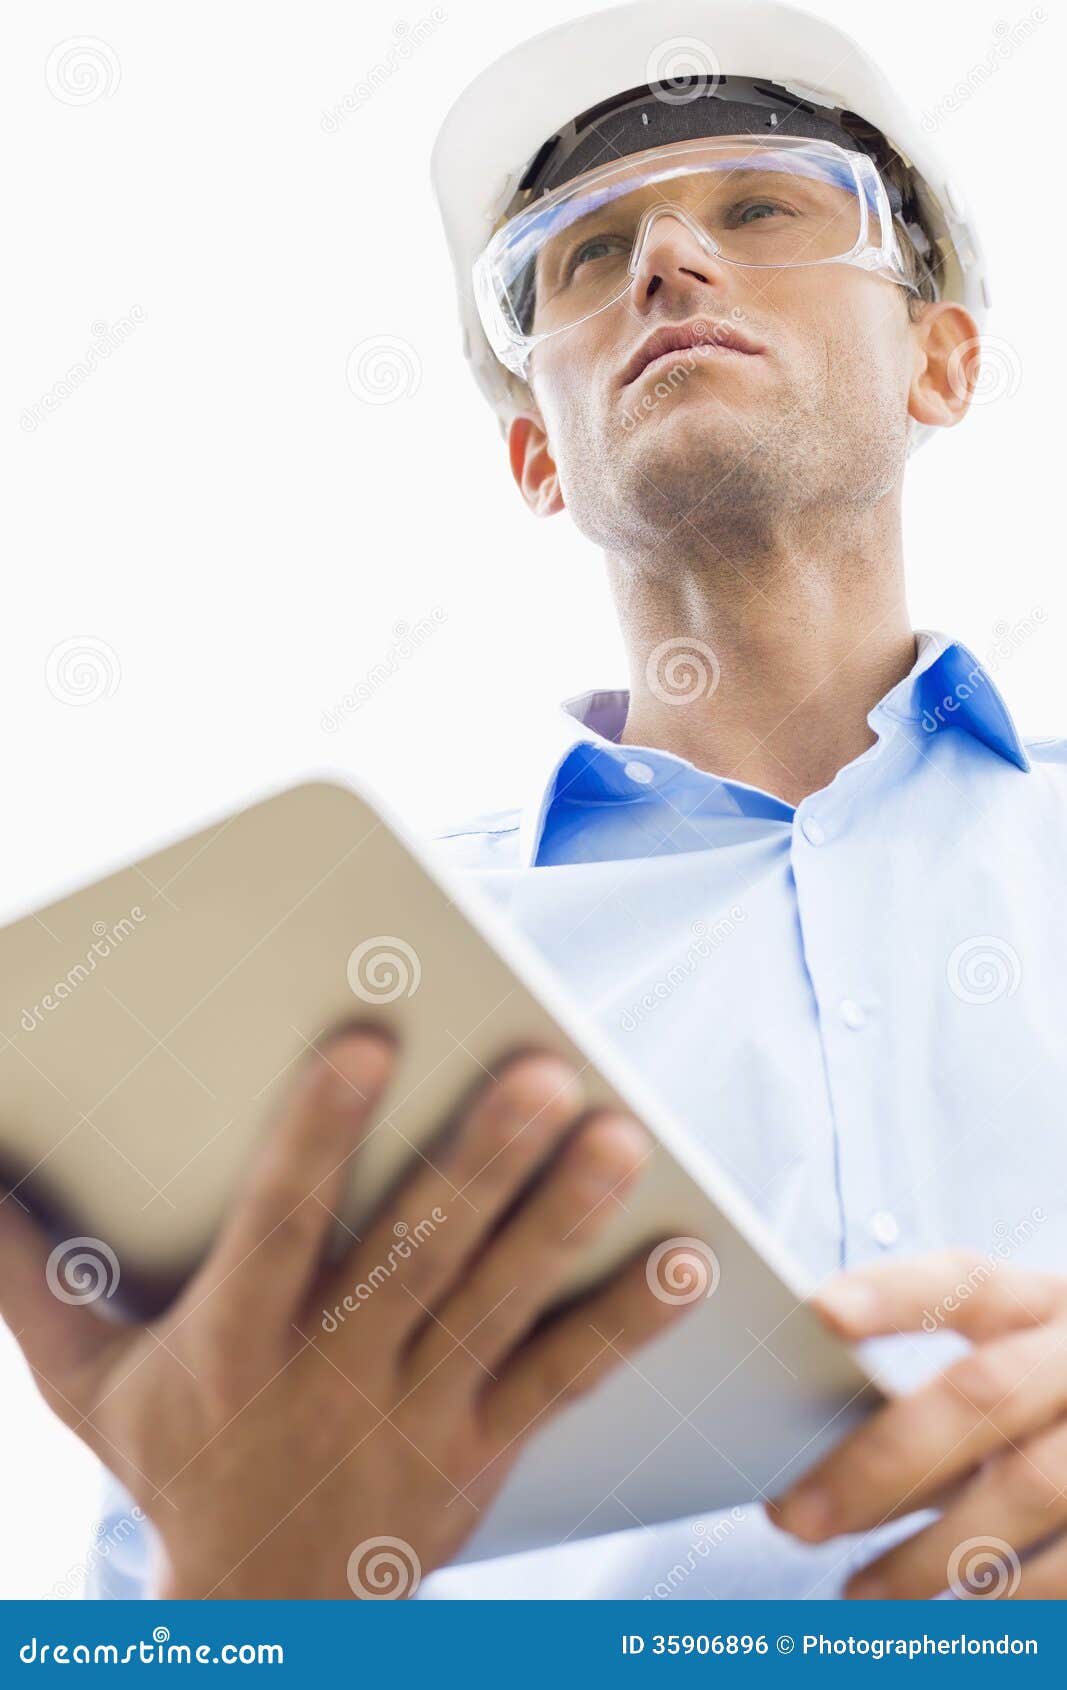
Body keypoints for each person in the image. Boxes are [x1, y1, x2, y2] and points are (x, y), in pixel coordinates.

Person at [5, 0, 1067, 1601]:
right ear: (536, 461)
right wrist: (241, 1586)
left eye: (761, 206)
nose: (667, 265)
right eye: (583, 256)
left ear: (944, 358)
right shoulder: (330, 1007)